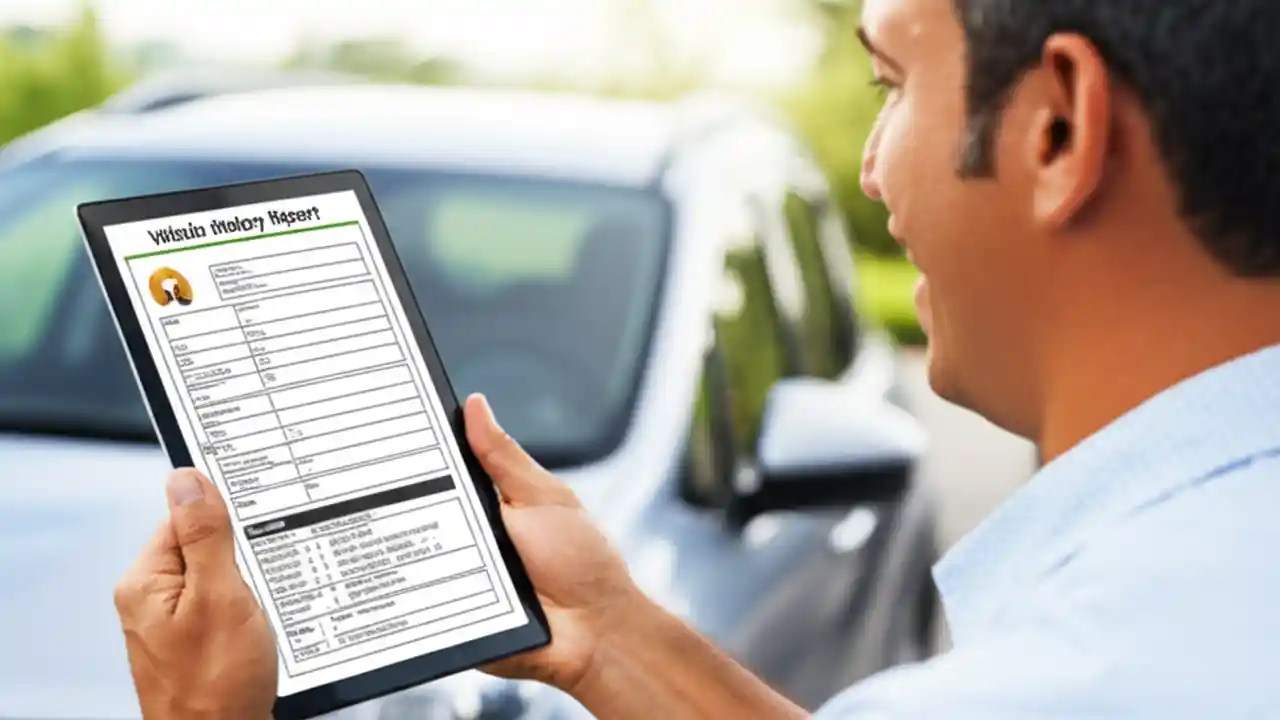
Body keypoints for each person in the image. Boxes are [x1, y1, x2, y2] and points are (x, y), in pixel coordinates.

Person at [112, 0, 1280, 716]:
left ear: (1056, 127)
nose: (870, 170)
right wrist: (610, 630)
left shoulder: (1078, 682)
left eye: (890, 83)